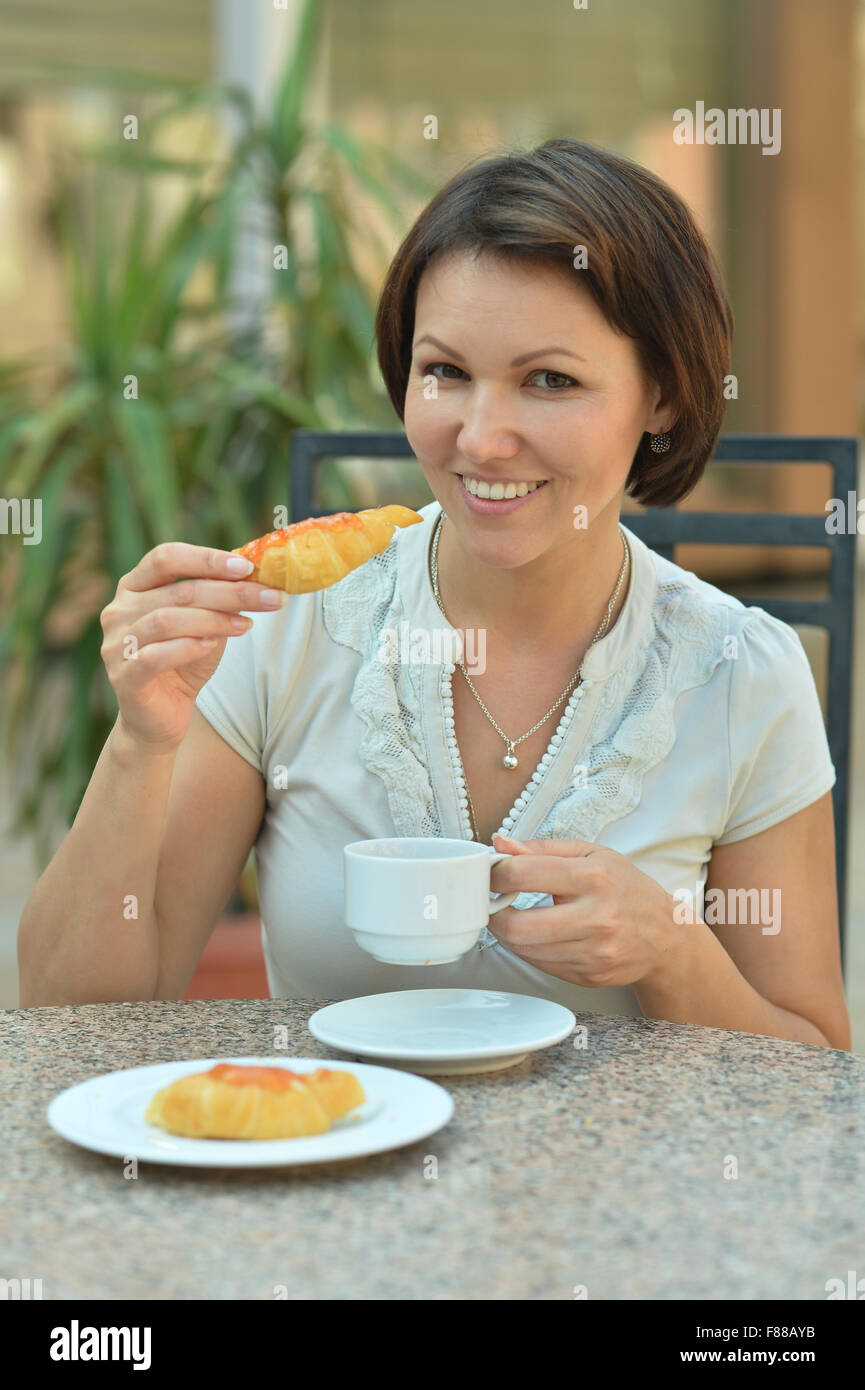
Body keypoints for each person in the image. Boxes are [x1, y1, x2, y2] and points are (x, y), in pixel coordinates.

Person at [18, 138, 850, 1050]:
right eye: (445, 372)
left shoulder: (742, 672)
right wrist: (142, 741)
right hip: (330, 1166)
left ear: (661, 396)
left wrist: (671, 952)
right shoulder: (283, 626)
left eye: (549, 380)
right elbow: (73, 1020)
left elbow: (811, 1075)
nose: (481, 440)